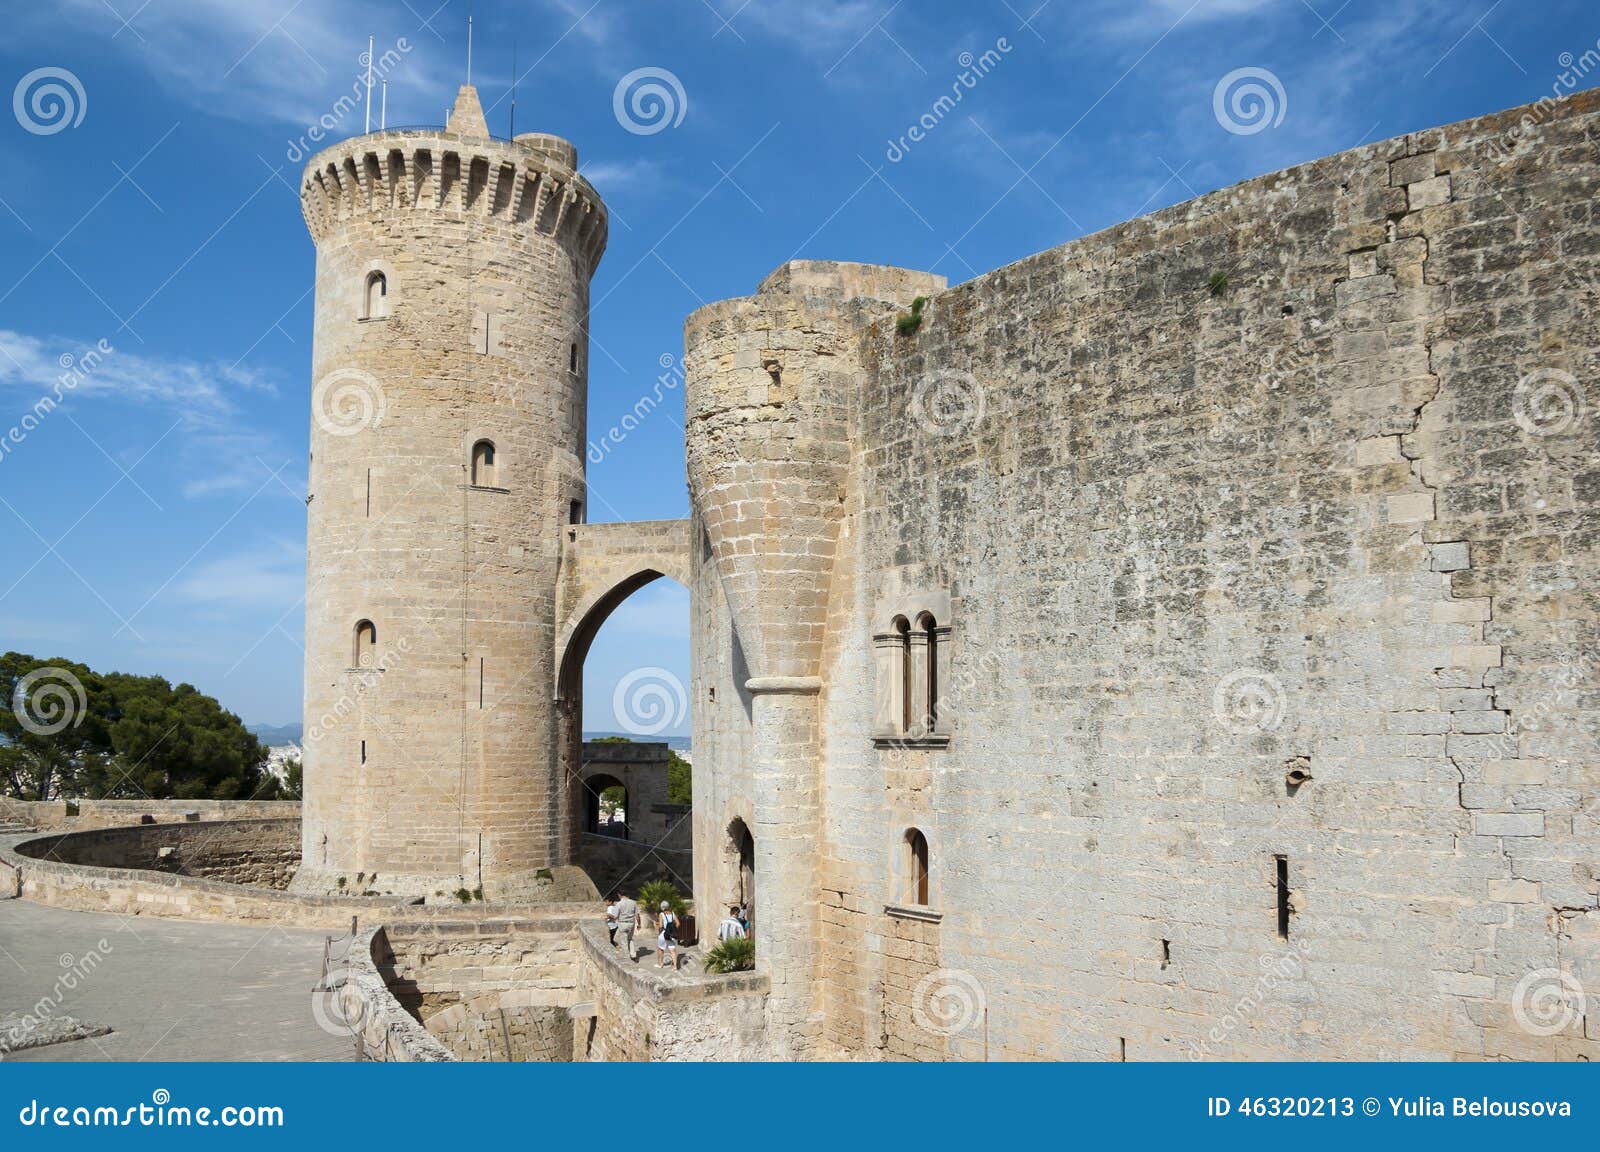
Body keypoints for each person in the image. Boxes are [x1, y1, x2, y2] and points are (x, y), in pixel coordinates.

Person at [613, 890, 638, 961]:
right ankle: (633, 954)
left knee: (624, 941)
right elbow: (637, 915)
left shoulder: (619, 904)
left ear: (619, 895)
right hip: (631, 923)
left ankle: (627, 957)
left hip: (622, 923)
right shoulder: (633, 902)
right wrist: (639, 924)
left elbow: (615, 916)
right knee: (630, 939)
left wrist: (610, 917)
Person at [656, 900, 678, 969]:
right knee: (672, 950)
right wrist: (673, 929)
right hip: (671, 934)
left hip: (664, 933)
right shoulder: (673, 914)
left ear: (662, 907)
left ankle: (661, 964)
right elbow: (678, 923)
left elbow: (660, 926)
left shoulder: (661, 914)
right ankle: (675, 966)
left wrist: (659, 932)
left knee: (661, 949)